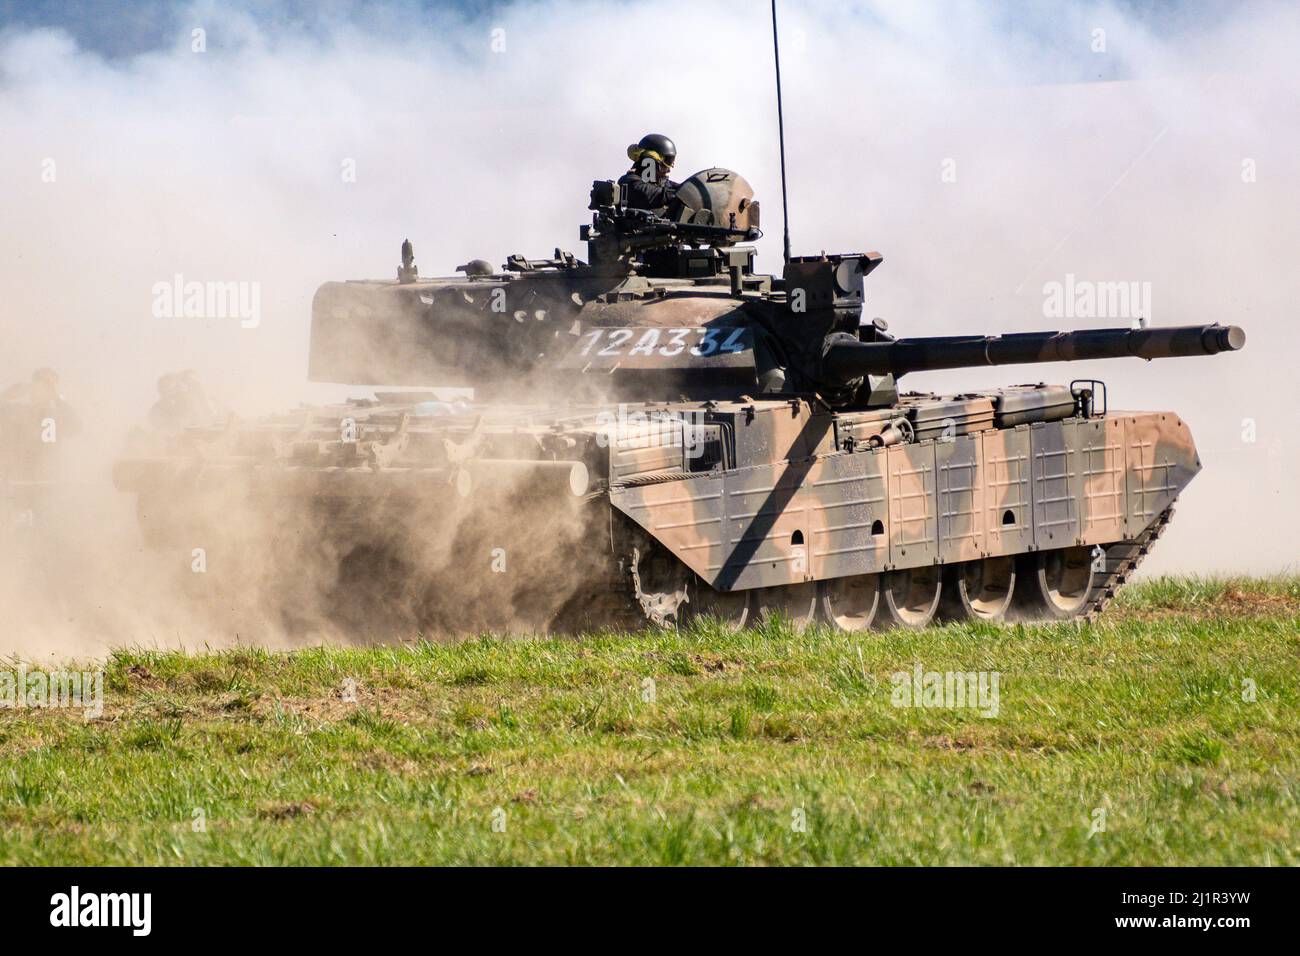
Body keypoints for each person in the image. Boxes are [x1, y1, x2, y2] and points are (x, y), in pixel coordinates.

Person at [617, 133, 679, 212]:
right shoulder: (629, 183)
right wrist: (679, 194)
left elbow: (681, 188)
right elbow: (652, 195)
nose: (669, 170)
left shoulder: (662, 183)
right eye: (666, 164)